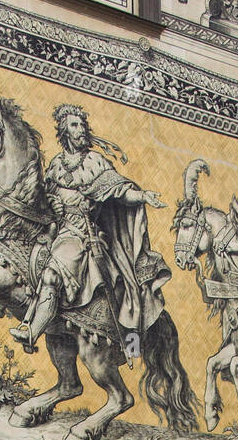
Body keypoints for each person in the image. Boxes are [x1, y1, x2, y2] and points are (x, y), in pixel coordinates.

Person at [9, 103, 169, 354]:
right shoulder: (56, 165)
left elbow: (120, 192)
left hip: (82, 234)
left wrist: (143, 196)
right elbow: (45, 200)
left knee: (51, 275)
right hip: (55, 230)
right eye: (74, 125)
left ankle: (31, 332)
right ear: (64, 130)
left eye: (82, 125)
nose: (80, 129)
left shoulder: (95, 162)